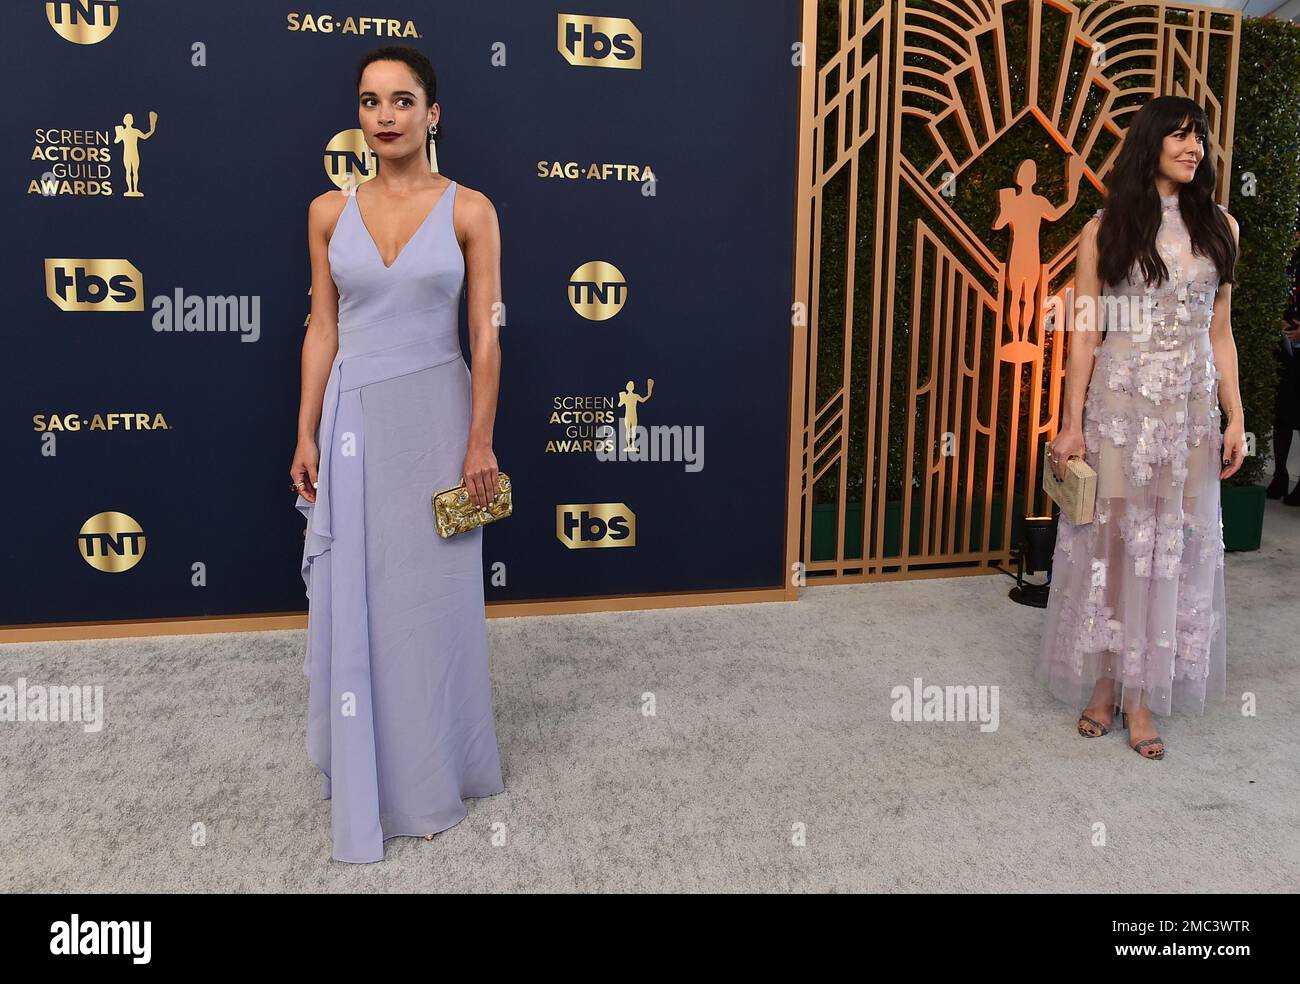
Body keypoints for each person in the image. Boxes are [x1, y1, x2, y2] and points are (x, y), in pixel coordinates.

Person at [289, 45, 505, 861]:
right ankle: (363, 761)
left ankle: (433, 768)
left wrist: (479, 438)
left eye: (403, 100)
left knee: (431, 603)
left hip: (438, 421)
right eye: (371, 101)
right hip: (351, 421)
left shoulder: (470, 210)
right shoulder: (325, 212)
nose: (385, 115)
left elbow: (485, 331)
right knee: (361, 595)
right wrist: (306, 428)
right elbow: (324, 327)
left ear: (432, 114)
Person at [1037, 95, 1243, 760]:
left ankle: (1146, 695)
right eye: (1181, 137)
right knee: (1114, 549)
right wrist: (1071, 427)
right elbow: (1083, 336)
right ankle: (1103, 686)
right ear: (1150, 143)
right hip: (1120, 412)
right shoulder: (1108, 228)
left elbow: (1222, 332)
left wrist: (1236, 416)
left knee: (1171, 551)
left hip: (1188, 417)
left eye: (1200, 139)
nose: (1194, 149)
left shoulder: (1222, 228)